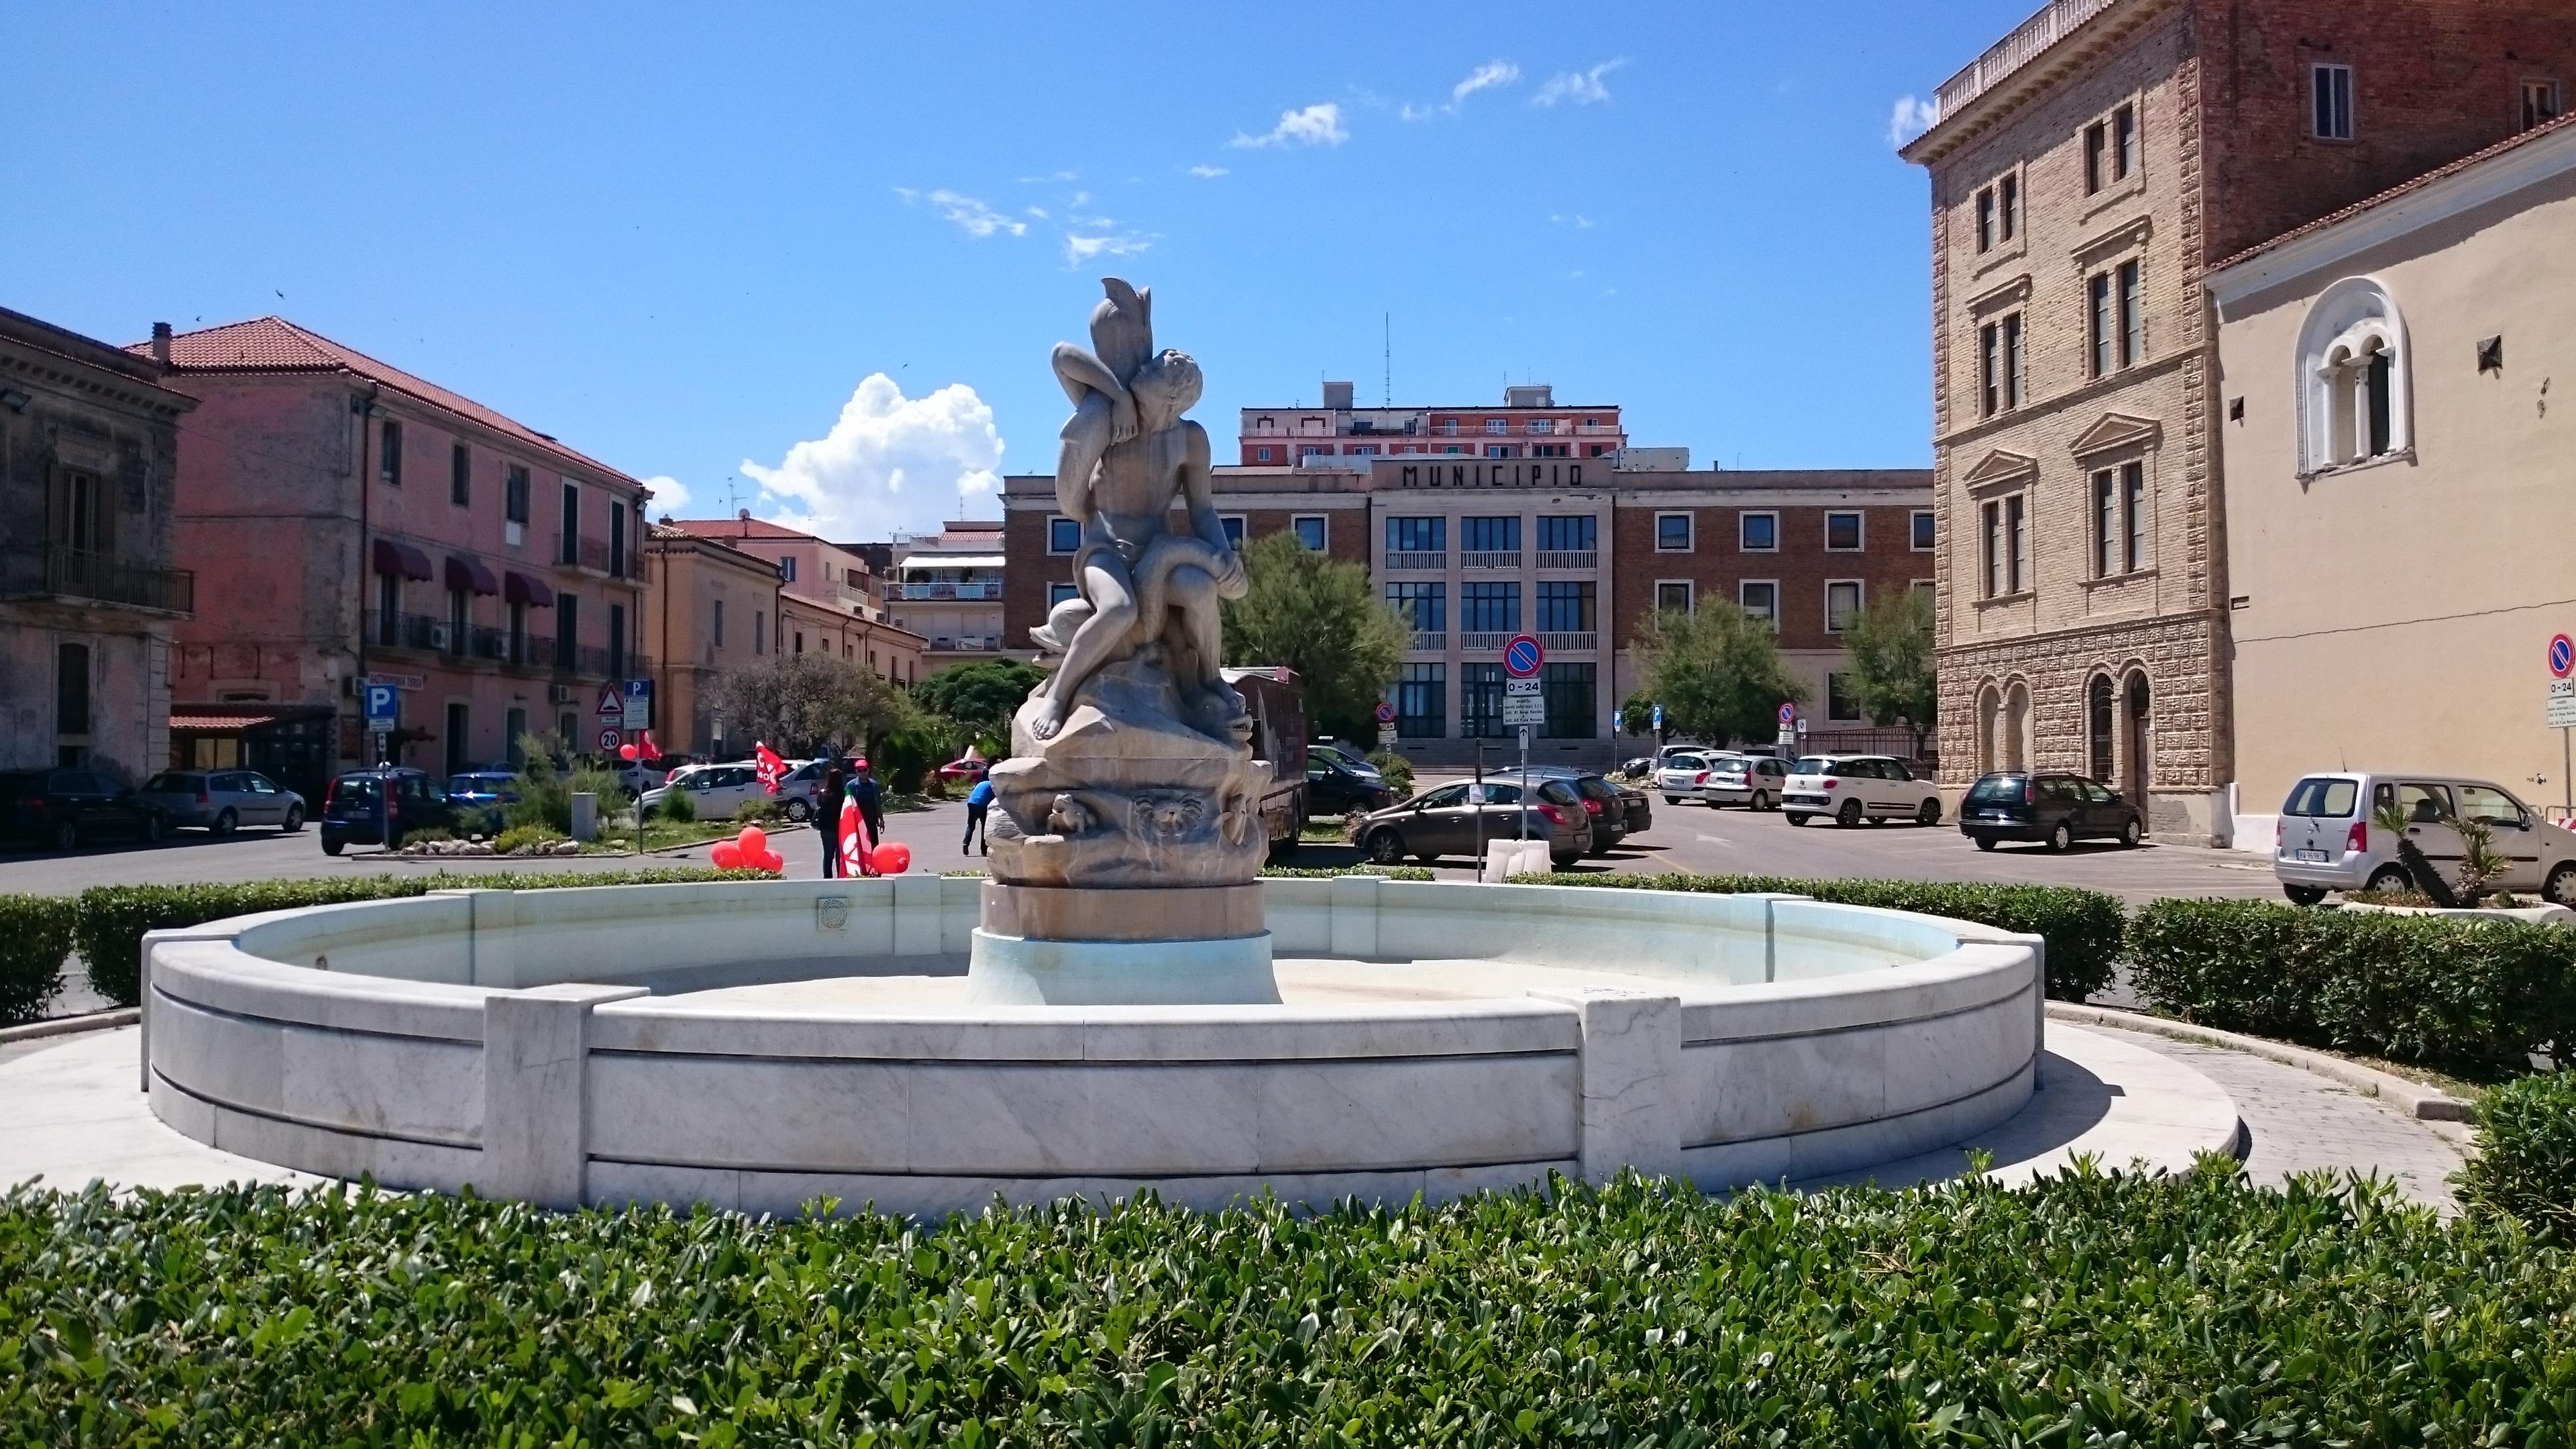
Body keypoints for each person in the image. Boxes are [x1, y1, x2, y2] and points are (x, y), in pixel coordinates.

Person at [818, 765, 848, 878]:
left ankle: (827, 878)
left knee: (828, 856)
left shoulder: (823, 793)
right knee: (840, 855)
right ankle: (840, 877)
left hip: (825, 829)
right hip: (839, 828)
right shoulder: (843, 794)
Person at [850, 758, 884, 845]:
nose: (863, 773)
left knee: (874, 847)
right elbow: (847, 806)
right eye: (860, 771)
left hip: (871, 822)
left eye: (865, 770)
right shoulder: (851, 786)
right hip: (857, 824)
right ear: (857, 772)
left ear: (868, 770)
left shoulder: (874, 785)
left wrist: (882, 820)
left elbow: (878, 804)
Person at [963, 774, 994, 855]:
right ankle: (984, 850)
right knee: (984, 827)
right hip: (982, 805)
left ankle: (966, 843)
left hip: (971, 803)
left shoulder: (980, 783)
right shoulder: (993, 785)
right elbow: (995, 800)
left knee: (971, 825)